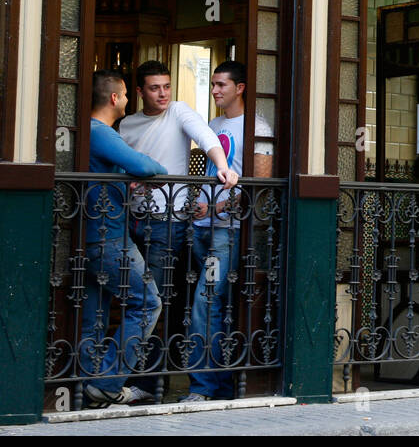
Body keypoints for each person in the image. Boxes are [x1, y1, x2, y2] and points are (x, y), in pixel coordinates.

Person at [119, 59, 238, 397]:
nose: (162, 94)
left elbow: (207, 137)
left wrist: (222, 166)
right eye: (154, 88)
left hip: (168, 227)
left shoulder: (179, 111)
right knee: (136, 299)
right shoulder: (127, 125)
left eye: (166, 87)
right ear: (140, 91)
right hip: (134, 221)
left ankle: (146, 383)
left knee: (154, 300)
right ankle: (138, 379)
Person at [181, 60, 274, 402]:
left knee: (205, 302)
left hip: (228, 231)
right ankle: (217, 386)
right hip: (202, 226)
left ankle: (202, 388)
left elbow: (259, 186)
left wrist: (217, 207)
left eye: (222, 85)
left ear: (240, 88)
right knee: (210, 305)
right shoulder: (214, 123)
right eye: (214, 84)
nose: (216, 90)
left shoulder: (257, 127)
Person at [81, 70, 167, 407]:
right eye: (126, 96)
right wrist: (144, 172)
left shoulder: (90, 132)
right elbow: (145, 166)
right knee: (147, 303)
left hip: (92, 234)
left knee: (95, 315)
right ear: (115, 97)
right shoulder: (99, 132)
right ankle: (108, 382)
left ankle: (90, 388)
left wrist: (121, 180)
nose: (129, 101)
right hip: (109, 235)